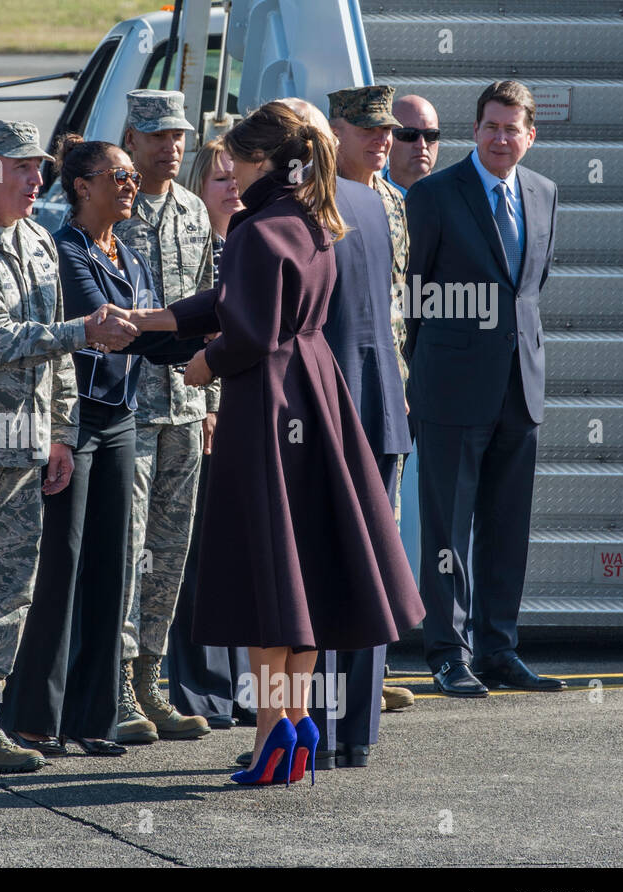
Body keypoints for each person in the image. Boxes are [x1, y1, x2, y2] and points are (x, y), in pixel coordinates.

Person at [132, 102, 424, 785]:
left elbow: (250, 332)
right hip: (316, 398)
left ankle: (274, 733)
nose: (226, 177)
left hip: (266, 406)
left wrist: (201, 364)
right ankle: (293, 724)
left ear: (265, 160)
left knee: (267, 586)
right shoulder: (314, 217)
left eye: (234, 163)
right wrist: (155, 319)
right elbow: (236, 300)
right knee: (300, 578)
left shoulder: (257, 230)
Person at [0, 119, 139, 777]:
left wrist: (62, 432)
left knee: (9, 592)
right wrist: (82, 328)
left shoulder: (37, 240)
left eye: (41, 167)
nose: (41, 180)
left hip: (21, 450)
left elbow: (60, 357)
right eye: (26, 168)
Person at [0, 135, 200, 757]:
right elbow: (109, 331)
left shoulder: (128, 256)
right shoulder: (69, 251)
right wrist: (187, 331)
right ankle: (35, 715)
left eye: (131, 176)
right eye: (118, 175)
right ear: (82, 187)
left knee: (114, 566)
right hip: (74, 420)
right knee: (62, 565)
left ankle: (93, 716)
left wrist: (205, 343)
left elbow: (143, 332)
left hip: (121, 419)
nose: (131, 184)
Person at [406, 81, 563, 697]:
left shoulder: (545, 195)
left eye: (512, 128)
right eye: (491, 126)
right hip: (450, 390)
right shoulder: (435, 195)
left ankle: (499, 649)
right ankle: (447, 651)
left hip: (520, 388)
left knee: (506, 526)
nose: (501, 138)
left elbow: (530, 290)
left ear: (531, 135)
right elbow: (412, 297)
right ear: (475, 130)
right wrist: (419, 377)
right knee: (447, 529)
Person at [278, 95, 409, 769]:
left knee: (314, 572)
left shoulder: (301, 211)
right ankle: (352, 731)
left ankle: (316, 728)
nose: (383, 141)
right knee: (369, 570)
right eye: (370, 130)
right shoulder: (372, 203)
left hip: (331, 411)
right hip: (378, 404)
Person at [112, 90, 217, 743]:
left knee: (169, 552)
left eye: (177, 136)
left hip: (184, 407)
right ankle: (118, 687)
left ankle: (153, 680)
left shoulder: (194, 210)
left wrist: (210, 401)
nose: (169, 148)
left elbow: (211, 311)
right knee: (128, 552)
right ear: (131, 136)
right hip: (127, 407)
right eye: (155, 136)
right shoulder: (109, 207)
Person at [328, 85, 418, 715]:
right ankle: (324, 684)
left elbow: (400, 308)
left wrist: (404, 385)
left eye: (388, 130)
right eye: (369, 130)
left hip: (387, 387)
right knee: (334, 540)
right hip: (335, 387)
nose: (383, 140)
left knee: (381, 538)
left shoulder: (393, 200)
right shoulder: (317, 199)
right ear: (336, 131)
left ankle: (366, 674)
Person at [164, 135, 254, 729]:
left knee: (247, 558)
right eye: (219, 178)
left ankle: (250, 686)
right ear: (199, 189)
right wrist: (208, 403)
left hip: (252, 418)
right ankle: (200, 686)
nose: (232, 187)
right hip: (201, 411)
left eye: (236, 175)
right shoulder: (193, 247)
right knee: (196, 554)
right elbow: (196, 334)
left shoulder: (257, 243)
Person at [387, 94, 441, 196]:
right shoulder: (365, 201)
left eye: (431, 135)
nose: (421, 145)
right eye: (409, 134)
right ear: (387, 139)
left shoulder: (457, 202)